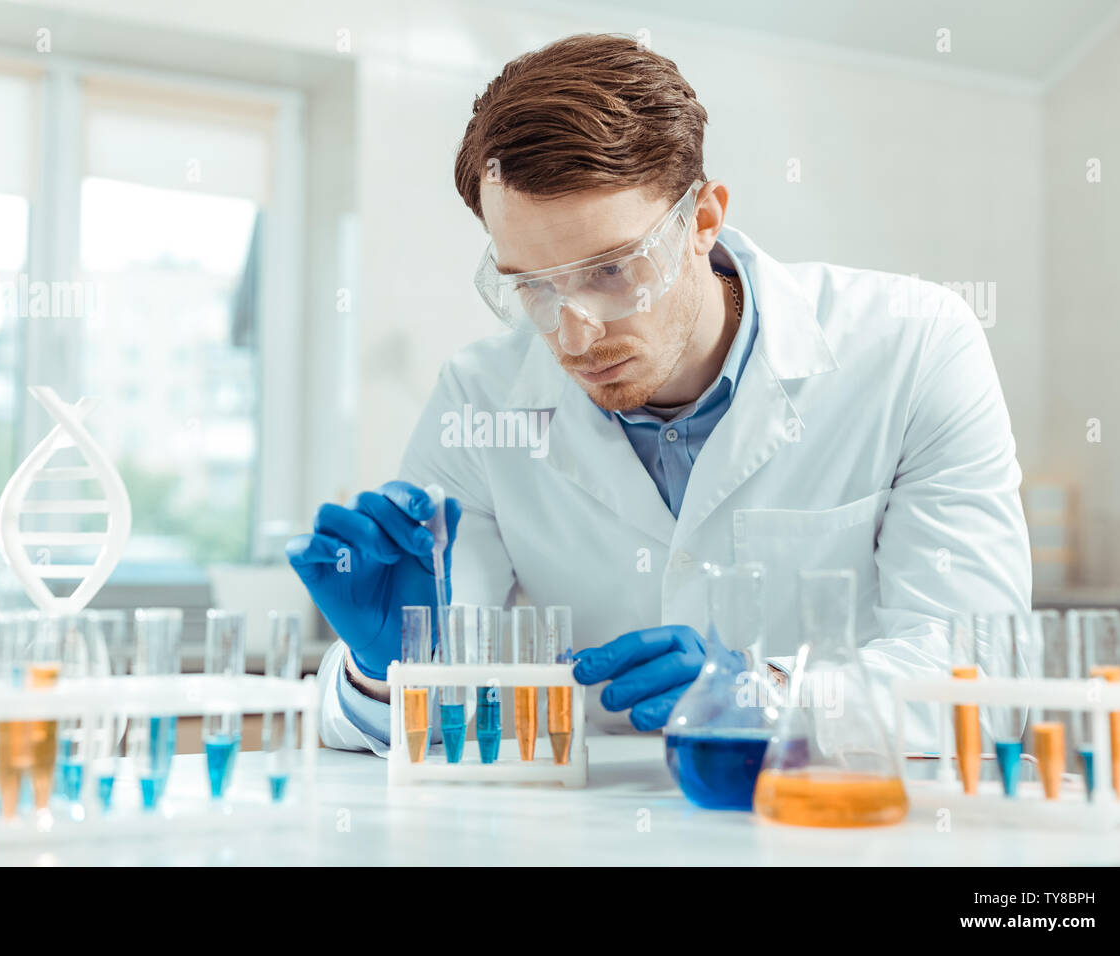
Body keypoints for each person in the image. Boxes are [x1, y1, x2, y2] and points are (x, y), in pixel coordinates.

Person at [287, 33, 1031, 755]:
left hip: (826, 824)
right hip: (584, 833)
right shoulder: (481, 400)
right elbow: (453, 708)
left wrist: (769, 696)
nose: (574, 334)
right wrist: (385, 672)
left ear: (702, 220)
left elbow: (983, 679)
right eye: (533, 286)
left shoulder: (914, 344)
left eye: (611, 271)